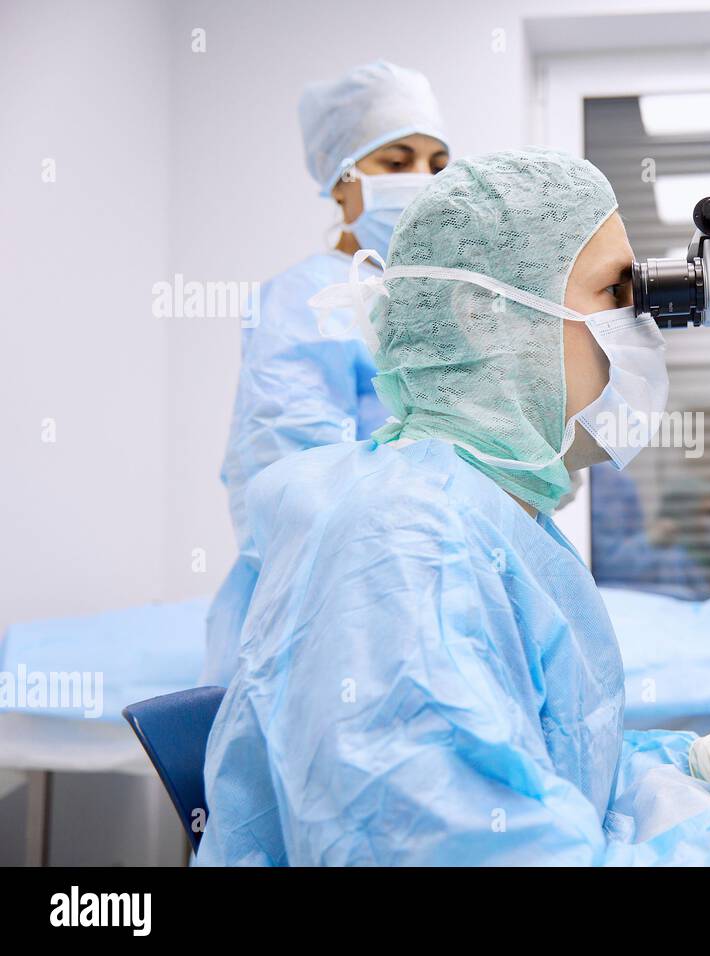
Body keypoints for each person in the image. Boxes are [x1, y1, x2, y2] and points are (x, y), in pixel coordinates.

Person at [196, 148, 710, 866]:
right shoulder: (405, 544)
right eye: (615, 294)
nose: (642, 326)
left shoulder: (484, 515)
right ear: (481, 318)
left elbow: (544, 775)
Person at [202, 61, 450, 686]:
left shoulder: (443, 302)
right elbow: (287, 465)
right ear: (343, 183)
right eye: (396, 163)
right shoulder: (300, 300)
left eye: (438, 165)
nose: (423, 180)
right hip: (333, 604)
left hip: (439, 587)